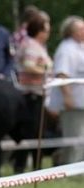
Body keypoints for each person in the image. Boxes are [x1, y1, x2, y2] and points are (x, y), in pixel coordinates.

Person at [13, 11, 53, 173]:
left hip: (38, 94)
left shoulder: (38, 46)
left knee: (36, 132)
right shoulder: (30, 45)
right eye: (47, 29)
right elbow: (29, 65)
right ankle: (24, 167)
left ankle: (35, 167)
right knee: (30, 132)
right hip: (30, 96)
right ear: (39, 30)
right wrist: (46, 72)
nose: (48, 33)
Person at [49, 16, 84, 164]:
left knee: (80, 139)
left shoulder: (80, 47)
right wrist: (67, 97)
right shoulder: (66, 49)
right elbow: (62, 74)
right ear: (72, 32)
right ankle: (69, 169)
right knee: (73, 139)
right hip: (72, 103)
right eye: (81, 28)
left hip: (81, 103)